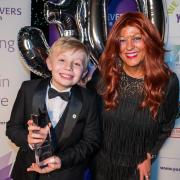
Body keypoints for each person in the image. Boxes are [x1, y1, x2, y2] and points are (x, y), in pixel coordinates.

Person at [91, 12, 179, 180]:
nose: (129, 46)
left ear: (149, 41)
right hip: (100, 167)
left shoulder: (167, 82)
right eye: (122, 40)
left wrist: (150, 155)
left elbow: (167, 125)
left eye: (137, 38)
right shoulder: (104, 75)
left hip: (137, 171)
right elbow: (84, 116)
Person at [6, 37, 101, 180]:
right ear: (49, 63)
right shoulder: (28, 89)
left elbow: (91, 141)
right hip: (27, 173)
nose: (68, 67)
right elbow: (12, 128)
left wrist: (62, 160)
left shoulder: (89, 99)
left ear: (84, 72)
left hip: (66, 174)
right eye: (62, 60)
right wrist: (28, 139)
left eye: (76, 63)